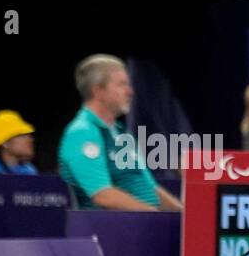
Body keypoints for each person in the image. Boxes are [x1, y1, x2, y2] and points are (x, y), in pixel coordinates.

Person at [58, 55, 182, 211]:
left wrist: (185, 215)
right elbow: (103, 195)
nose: (130, 92)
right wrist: (155, 215)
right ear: (98, 91)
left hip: (146, 226)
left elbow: (151, 188)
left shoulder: (123, 133)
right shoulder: (82, 132)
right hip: (111, 230)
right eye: (122, 85)